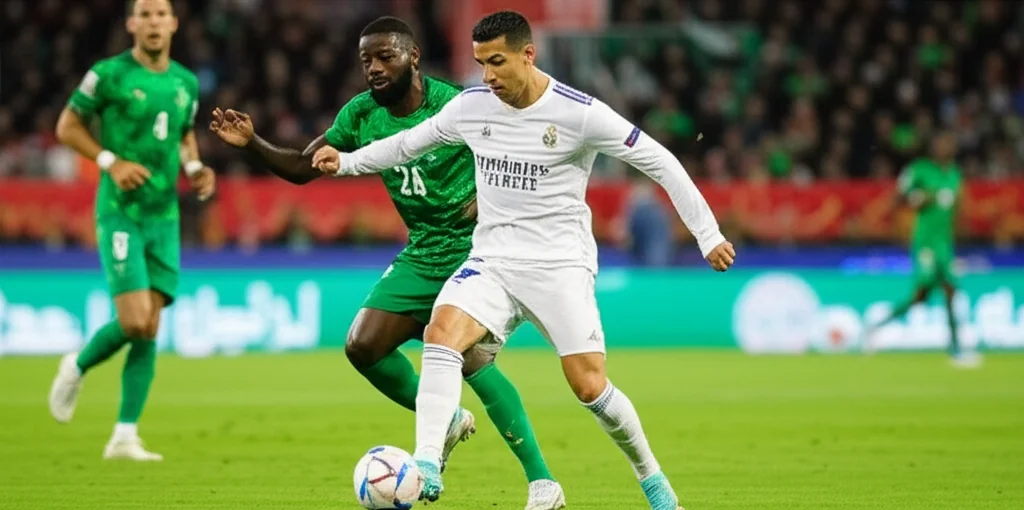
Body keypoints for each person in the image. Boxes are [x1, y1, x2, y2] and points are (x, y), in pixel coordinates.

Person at [313, 10, 735, 510]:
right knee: (440, 335)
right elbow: (406, 145)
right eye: (480, 64)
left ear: (528, 55)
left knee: (589, 386)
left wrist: (707, 235)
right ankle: (426, 465)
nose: (487, 76)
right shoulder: (473, 106)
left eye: (497, 63)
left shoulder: (579, 113)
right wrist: (346, 163)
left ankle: (654, 482)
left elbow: (660, 161)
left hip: (559, 266)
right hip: (491, 259)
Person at [209, 16, 564, 509]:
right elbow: (302, 168)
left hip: (476, 250)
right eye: (365, 61)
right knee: (363, 346)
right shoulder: (360, 115)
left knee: (470, 361)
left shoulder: (457, 105)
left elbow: (525, 154)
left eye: (385, 57)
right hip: (422, 250)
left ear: (413, 57)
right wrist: (252, 143)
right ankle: (449, 420)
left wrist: (495, 197)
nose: (374, 68)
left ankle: (542, 482)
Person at [48, 0, 216, 461]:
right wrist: (110, 161)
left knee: (151, 327)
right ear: (132, 24)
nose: (154, 21)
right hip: (121, 210)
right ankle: (76, 364)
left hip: (164, 215)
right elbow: (67, 126)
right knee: (134, 319)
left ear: (174, 23)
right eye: (145, 14)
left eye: (161, 13)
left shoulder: (185, 81)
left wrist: (196, 166)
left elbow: (183, 134)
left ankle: (125, 434)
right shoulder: (109, 74)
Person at [866, 131, 978, 367]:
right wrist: (918, 199)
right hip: (925, 243)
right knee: (921, 295)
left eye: (948, 144)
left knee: (949, 291)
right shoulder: (919, 170)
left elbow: (957, 211)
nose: (944, 149)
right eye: (940, 144)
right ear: (933, 148)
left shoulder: (955, 175)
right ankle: (876, 328)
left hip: (945, 245)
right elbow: (899, 197)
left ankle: (955, 348)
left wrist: (961, 236)